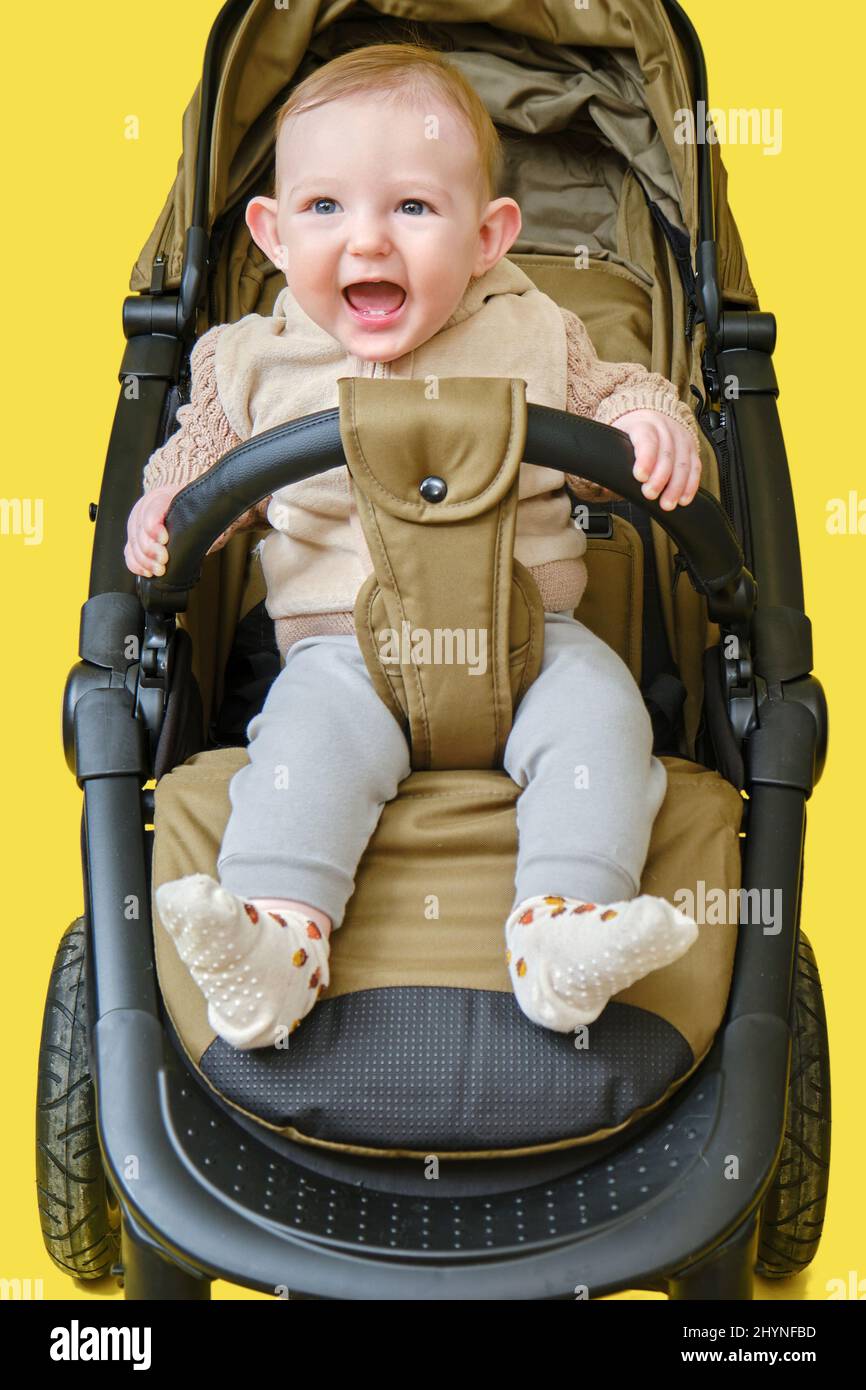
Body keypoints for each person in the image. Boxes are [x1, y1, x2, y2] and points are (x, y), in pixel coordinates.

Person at [125, 43, 703, 1051]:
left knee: (604, 724)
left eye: (411, 210)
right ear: (265, 233)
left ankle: (563, 927)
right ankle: (274, 947)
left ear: (487, 238)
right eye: (324, 210)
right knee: (299, 757)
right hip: (340, 655)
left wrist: (653, 427)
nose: (367, 243)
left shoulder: (534, 330)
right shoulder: (250, 365)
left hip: (529, 645)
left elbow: (620, 397)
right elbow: (198, 465)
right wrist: (168, 505)